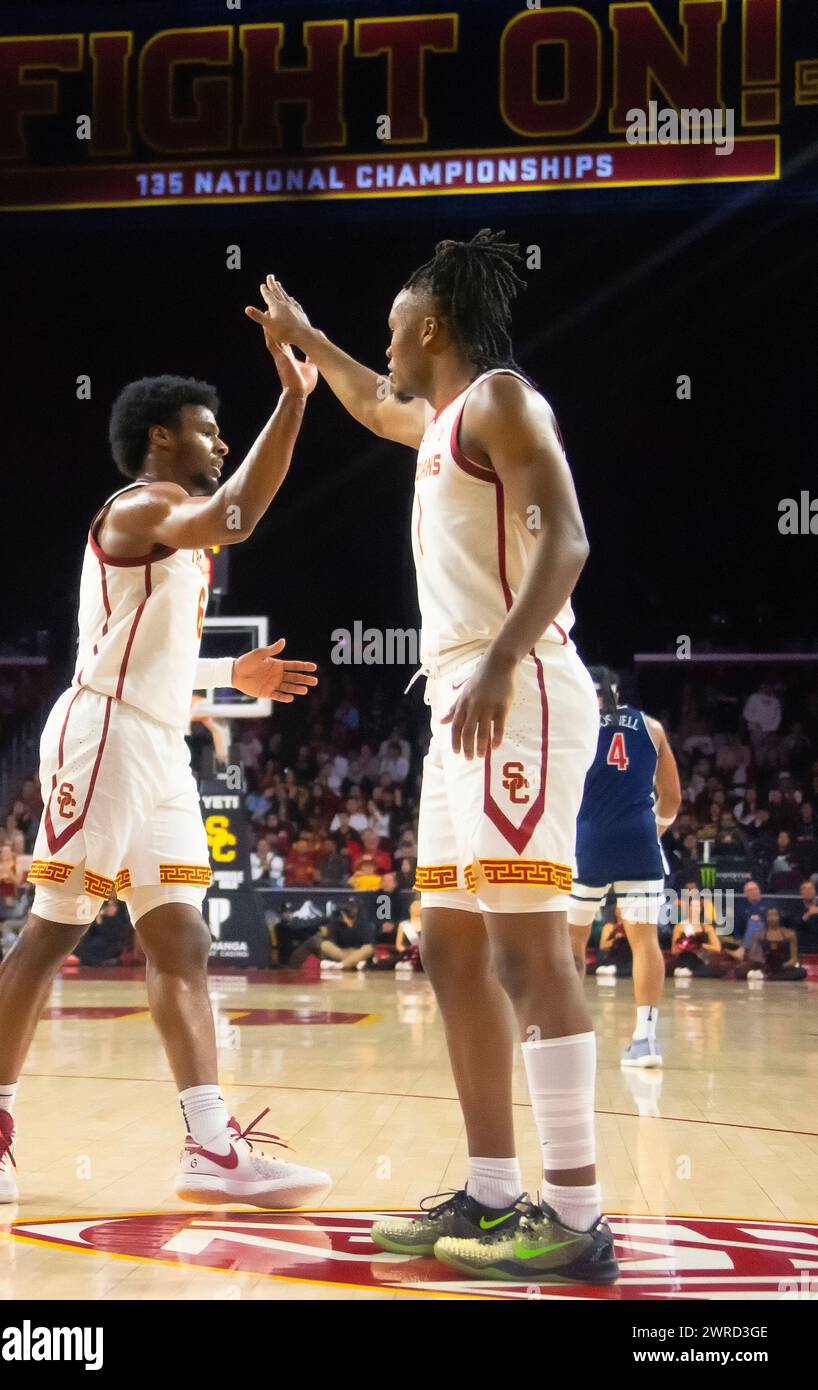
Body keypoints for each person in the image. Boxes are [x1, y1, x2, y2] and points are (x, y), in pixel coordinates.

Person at [247, 232, 617, 1283]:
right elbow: (370, 400)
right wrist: (305, 339)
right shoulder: (437, 419)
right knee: (450, 948)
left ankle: (578, 1215)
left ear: (433, 328)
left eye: (394, 326)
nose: (385, 341)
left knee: (527, 951)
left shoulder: (502, 401)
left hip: (519, 681)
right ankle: (493, 1191)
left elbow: (568, 540)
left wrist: (502, 659)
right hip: (458, 693)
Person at [0, 341, 332, 1209]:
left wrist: (223, 681)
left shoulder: (172, 533)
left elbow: (150, 649)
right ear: (161, 439)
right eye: (207, 433)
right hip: (103, 737)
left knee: (181, 940)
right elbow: (239, 512)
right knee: (52, 931)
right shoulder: (139, 506)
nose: (219, 444)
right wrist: (295, 397)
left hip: (163, 742)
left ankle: (209, 1146)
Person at [568, 668, 681, 1068]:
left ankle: (568, 1036)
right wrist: (654, 830)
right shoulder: (652, 727)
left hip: (587, 840)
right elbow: (670, 798)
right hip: (638, 840)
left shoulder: (573, 723)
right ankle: (646, 1040)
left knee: (572, 943)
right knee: (645, 942)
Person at [737, 907, 805, 981]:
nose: (772, 918)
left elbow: (794, 958)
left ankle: (768, 977)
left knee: (802, 972)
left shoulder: (790, 934)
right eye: (769, 915)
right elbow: (752, 956)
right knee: (740, 971)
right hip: (765, 966)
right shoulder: (759, 935)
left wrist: (783, 965)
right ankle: (770, 976)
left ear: (779, 917)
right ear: (766, 918)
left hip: (783, 967)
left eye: (775, 915)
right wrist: (763, 963)